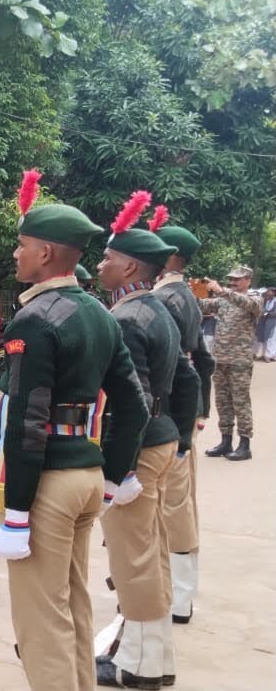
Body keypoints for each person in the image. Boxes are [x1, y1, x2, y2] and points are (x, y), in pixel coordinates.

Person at [0, 182, 149, 691]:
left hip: (47, 483)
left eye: (21, 245)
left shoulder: (34, 319)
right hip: (85, 472)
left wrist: (16, 511)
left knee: (42, 621)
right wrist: (112, 476)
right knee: (74, 605)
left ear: (45, 252)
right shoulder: (102, 316)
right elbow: (134, 405)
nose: (16, 253)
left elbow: (27, 420)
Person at [94, 216, 198, 689]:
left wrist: (119, 471)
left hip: (138, 445)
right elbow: (189, 379)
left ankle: (137, 663)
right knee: (150, 554)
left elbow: (129, 403)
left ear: (131, 266)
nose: (101, 264)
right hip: (162, 438)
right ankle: (153, 656)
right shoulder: (159, 310)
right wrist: (183, 441)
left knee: (133, 558)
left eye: (109, 258)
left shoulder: (126, 317)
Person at [151, 221, 214, 625]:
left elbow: (182, 369)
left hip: (171, 411)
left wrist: (187, 418)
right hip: (181, 410)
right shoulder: (183, 295)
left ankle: (177, 595)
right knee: (175, 502)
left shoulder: (168, 298)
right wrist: (201, 411)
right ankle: (177, 592)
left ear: (169, 255)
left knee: (172, 504)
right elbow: (203, 359)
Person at [200, 266, 261, 460]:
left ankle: (245, 444)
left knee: (240, 401)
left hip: (240, 360)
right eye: (231, 280)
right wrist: (189, 291)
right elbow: (202, 305)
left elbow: (247, 304)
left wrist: (222, 291)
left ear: (248, 280)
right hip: (221, 359)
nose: (233, 283)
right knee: (222, 401)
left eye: (237, 280)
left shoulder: (254, 299)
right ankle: (225, 441)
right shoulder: (223, 301)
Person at [257, 288, 276, 361]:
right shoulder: (267, 301)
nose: (267, 293)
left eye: (269, 291)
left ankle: (270, 355)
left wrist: (267, 314)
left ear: (274, 293)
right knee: (266, 338)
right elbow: (265, 310)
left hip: (273, 322)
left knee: (271, 339)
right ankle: (265, 354)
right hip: (266, 322)